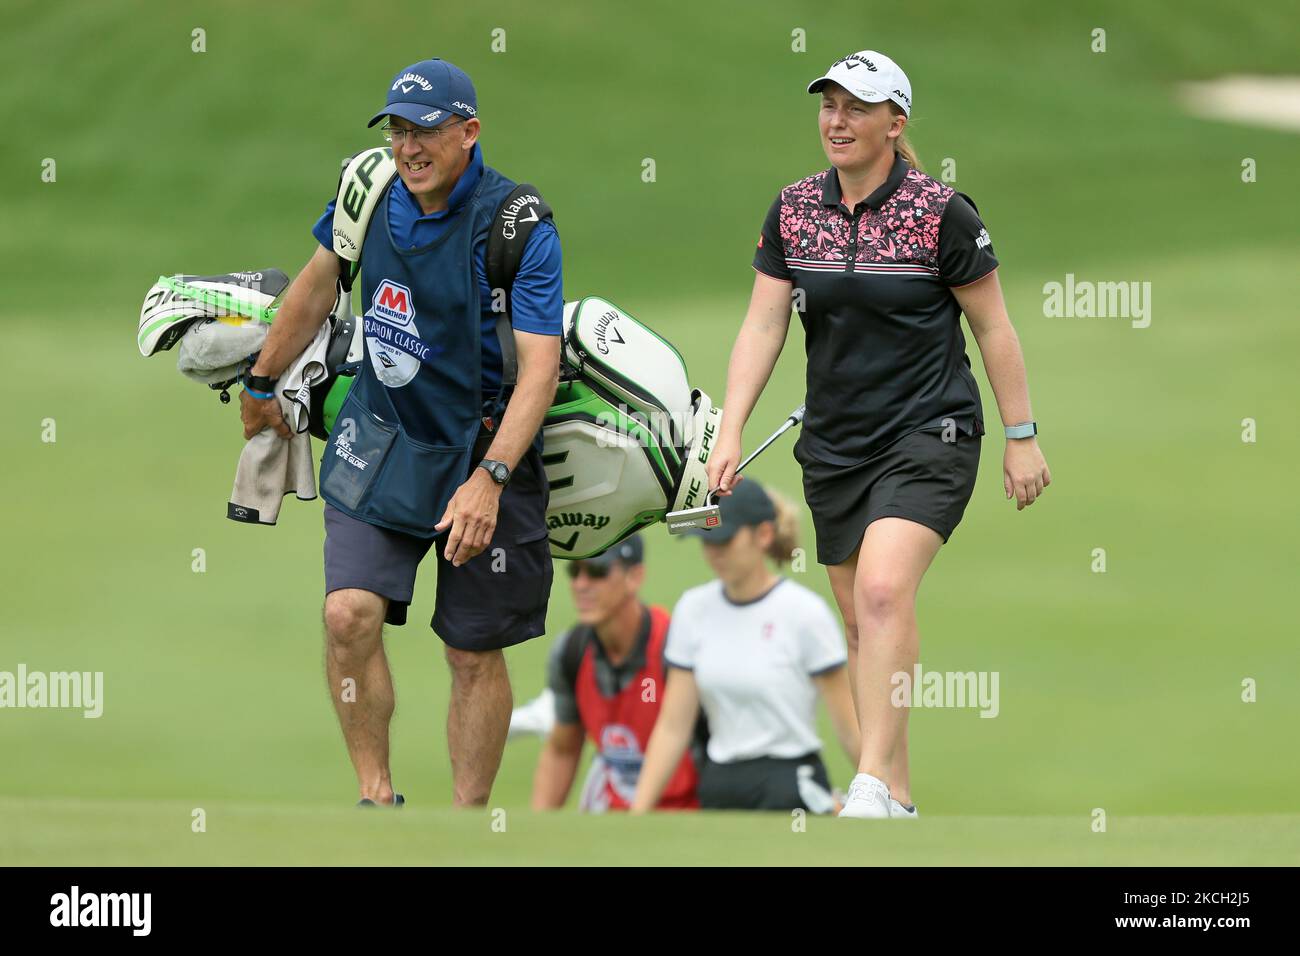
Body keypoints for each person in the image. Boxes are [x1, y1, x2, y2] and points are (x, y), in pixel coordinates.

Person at [707, 50, 1051, 818]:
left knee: (885, 590)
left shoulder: (941, 212)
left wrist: (1020, 434)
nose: (837, 120)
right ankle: (894, 793)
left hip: (932, 432)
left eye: (857, 108)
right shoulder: (793, 208)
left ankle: (864, 785)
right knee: (862, 623)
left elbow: (993, 326)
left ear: (895, 123)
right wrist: (730, 430)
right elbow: (764, 323)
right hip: (834, 444)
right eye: (828, 106)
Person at [238, 58, 563, 807]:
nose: (407, 146)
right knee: (347, 614)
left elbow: (540, 371)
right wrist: (261, 381)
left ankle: (462, 826)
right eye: (396, 129)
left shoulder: (518, 226)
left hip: (488, 449)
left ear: (469, 132)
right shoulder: (370, 189)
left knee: (472, 650)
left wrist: (492, 478)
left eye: (425, 130)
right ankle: (376, 799)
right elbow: (317, 283)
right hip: (383, 432)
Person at [631, 480, 859, 814]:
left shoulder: (805, 614)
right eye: (706, 541)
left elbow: (849, 729)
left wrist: (885, 799)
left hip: (791, 787)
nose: (714, 552)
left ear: (763, 535)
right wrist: (638, 813)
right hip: (719, 787)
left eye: (724, 540)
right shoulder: (693, 610)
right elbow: (672, 727)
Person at [531, 535, 701, 812]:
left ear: (635, 576)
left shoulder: (674, 647)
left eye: (597, 572)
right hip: (614, 818)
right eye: (575, 571)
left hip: (687, 815)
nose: (580, 585)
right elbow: (562, 750)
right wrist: (534, 833)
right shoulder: (571, 651)